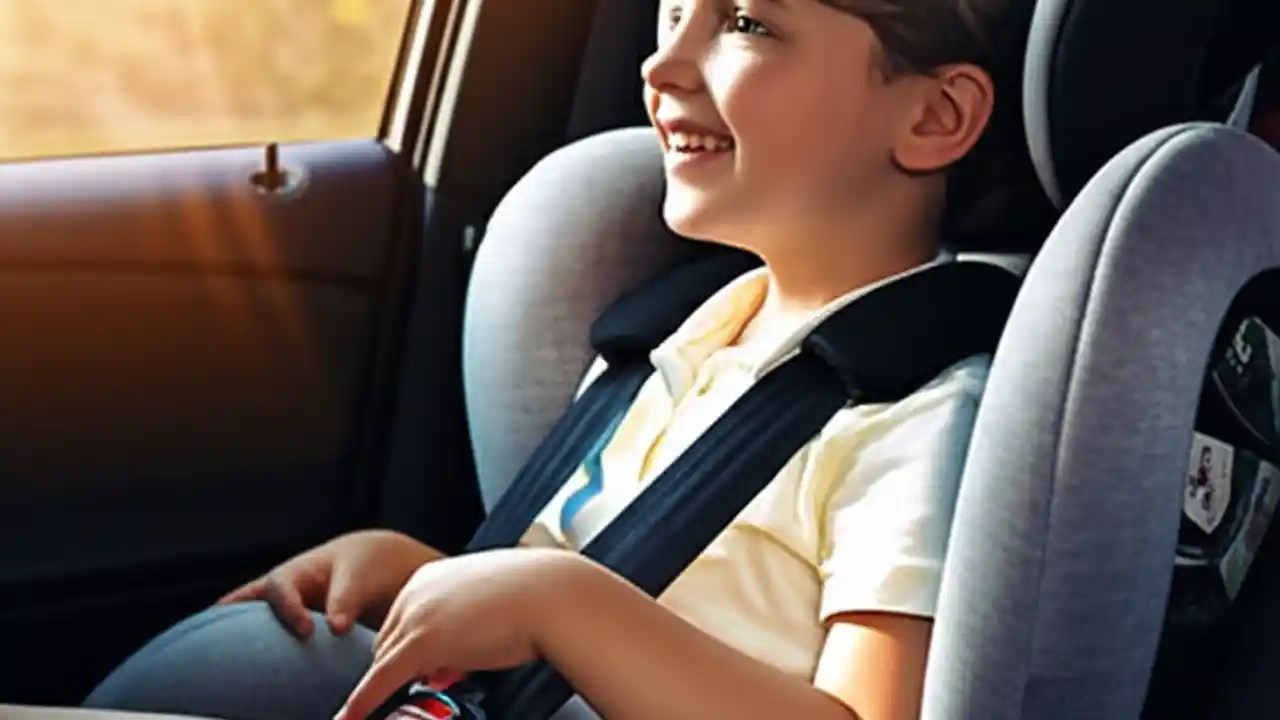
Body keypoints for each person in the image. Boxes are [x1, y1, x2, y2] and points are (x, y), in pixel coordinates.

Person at [85, 1, 1015, 718]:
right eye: (671, 11)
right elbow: (623, 578)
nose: (661, 62)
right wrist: (428, 576)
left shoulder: (919, 419)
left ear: (935, 115)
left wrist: (556, 602)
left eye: (744, 23)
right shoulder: (678, 335)